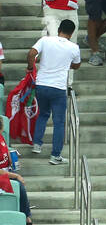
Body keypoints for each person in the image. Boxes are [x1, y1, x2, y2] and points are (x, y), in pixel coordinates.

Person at [26, 19, 80, 165]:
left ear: (59, 29)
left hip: (42, 85)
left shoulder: (45, 40)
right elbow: (76, 65)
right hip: (58, 88)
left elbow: (31, 54)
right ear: (72, 33)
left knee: (42, 114)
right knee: (59, 122)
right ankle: (55, 155)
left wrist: (31, 68)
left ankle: (37, 144)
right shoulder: (74, 47)